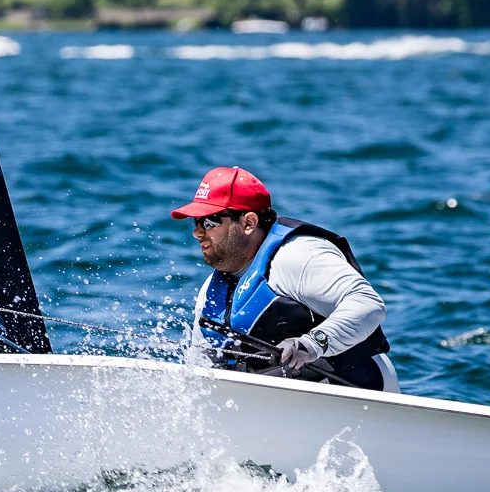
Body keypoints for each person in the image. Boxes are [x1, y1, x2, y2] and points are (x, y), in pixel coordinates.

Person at [171, 165, 398, 392]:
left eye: (209, 222)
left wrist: (311, 344)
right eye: (196, 222)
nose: (198, 232)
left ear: (248, 223)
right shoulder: (210, 292)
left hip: (360, 391)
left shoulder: (297, 256)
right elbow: (200, 367)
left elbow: (368, 304)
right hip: (275, 404)